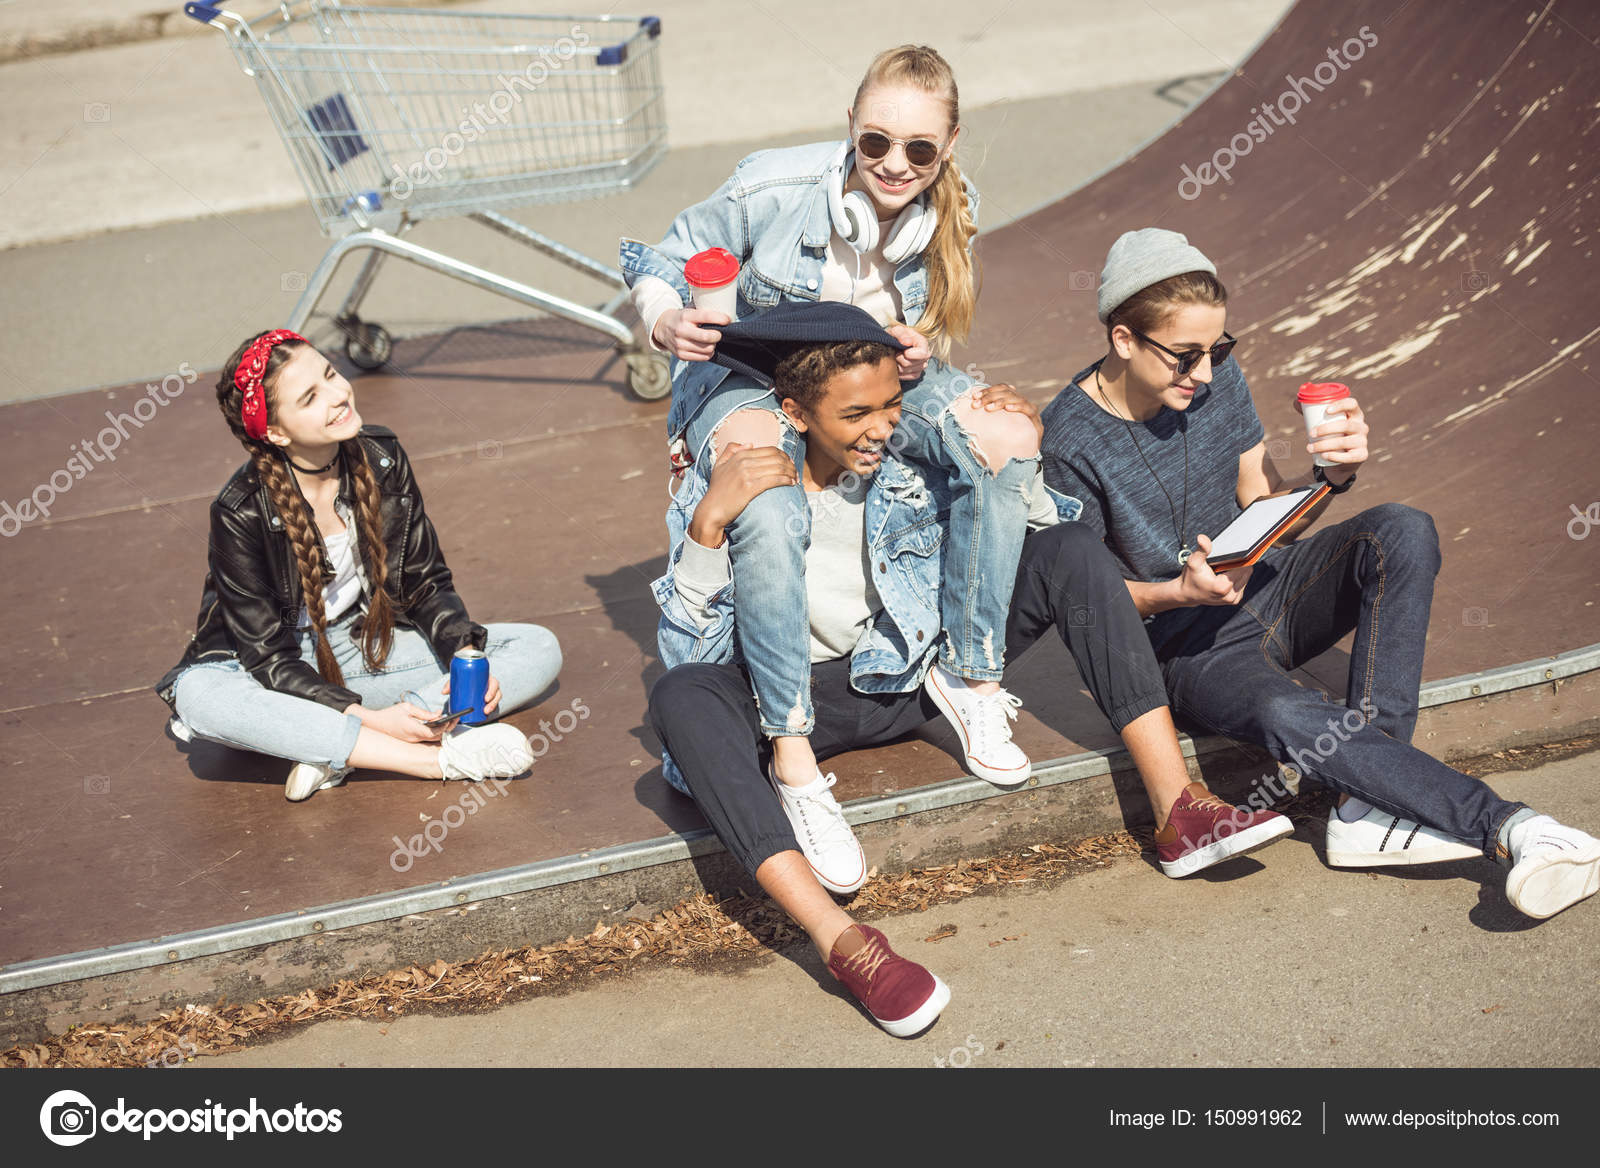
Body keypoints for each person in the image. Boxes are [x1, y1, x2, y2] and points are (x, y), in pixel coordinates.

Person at [649, 304, 1295, 1034]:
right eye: (856, 413)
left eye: (892, 405)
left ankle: (1178, 807)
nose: (881, 428)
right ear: (795, 412)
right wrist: (706, 526)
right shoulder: (743, 484)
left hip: (913, 672)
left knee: (1072, 553)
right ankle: (845, 942)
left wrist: (1016, 451)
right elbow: (691, 654)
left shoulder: (907, 460)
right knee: (680, 697)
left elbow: (1036, 529)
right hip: (792, 710)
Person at [1040, 228, 1600, 919]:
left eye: (1218, 351)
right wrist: (1178, 591)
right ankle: (1511, 827)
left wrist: (1329, 480)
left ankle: (1368, 803)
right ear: (1123, 339)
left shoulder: (1212, 381)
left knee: (1401, 527)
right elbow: (1087, 599)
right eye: (1185, 357)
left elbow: (1262, 504)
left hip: (1272, 589)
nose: (1206, 375)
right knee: (1285, 709)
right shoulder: (1068, 438)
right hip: (1186, 647)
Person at [622, 45, 1044, 797]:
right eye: (875, 141)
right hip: (752, 378)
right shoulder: (771, 184)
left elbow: (929, 327)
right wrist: (665, 325)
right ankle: (788, 733)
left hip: (876, 384)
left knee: (1006, 439)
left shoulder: (952, 204)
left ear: (947, 147)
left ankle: (971, 679)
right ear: (851, 125)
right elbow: (657, 261)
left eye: (919, 149)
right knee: (766, 498)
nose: (893, 164)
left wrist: (919, 352)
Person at [156, 329, 562, 801]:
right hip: (259, 671)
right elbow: (266, 656)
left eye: (330, 374)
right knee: (199, 698)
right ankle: (438, 758)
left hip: (358, 650)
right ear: (276, 431)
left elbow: (427, 585)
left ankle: (344, 743)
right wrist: (368, 715)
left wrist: (463, 660)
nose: (337, 394)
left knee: (536, 646)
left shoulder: (382, 457)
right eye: (310, 397)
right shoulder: (240, 509)